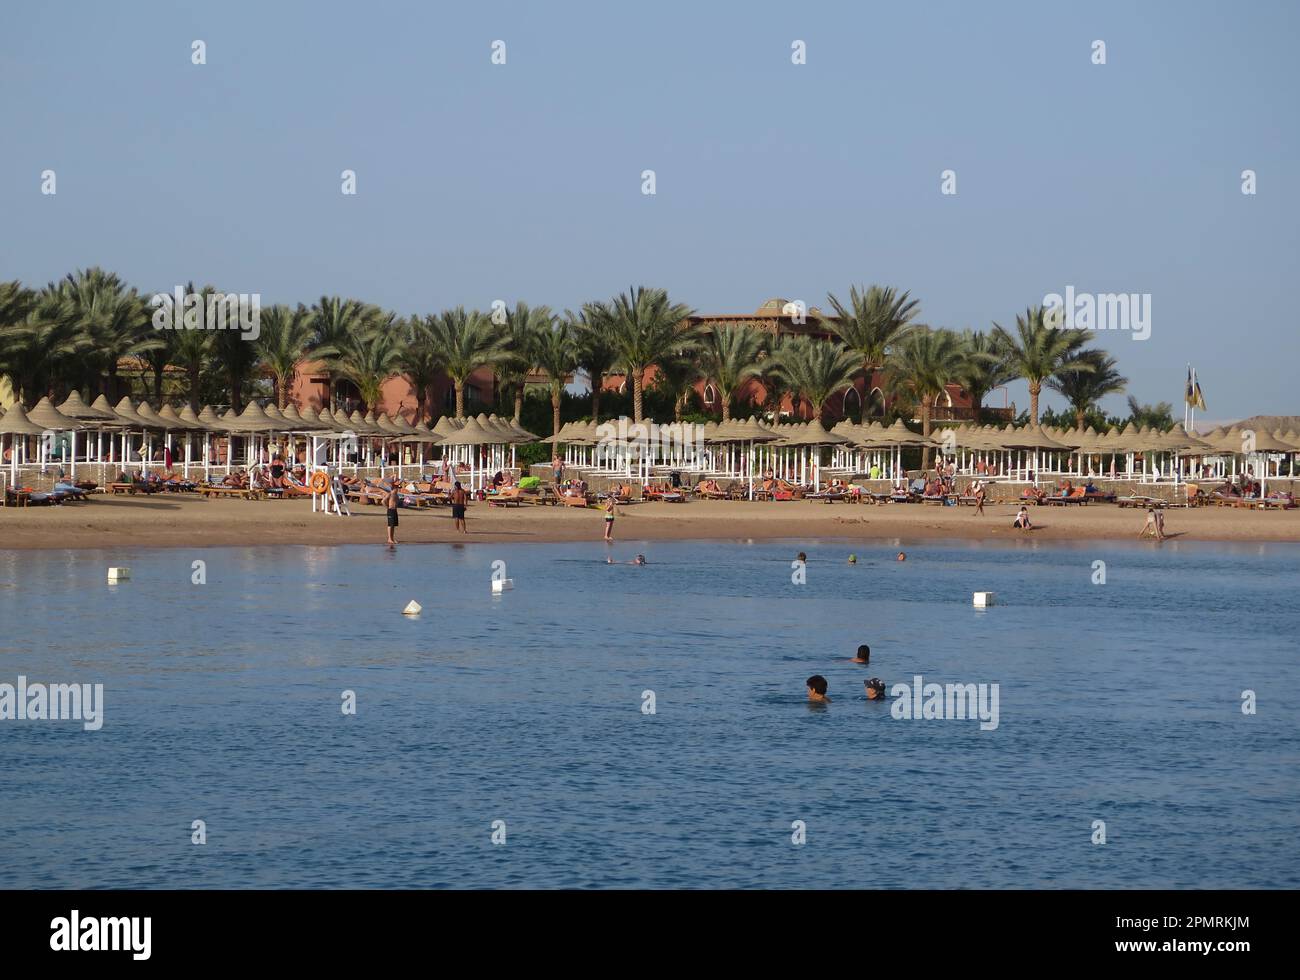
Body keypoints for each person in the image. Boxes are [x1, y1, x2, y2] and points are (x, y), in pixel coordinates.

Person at [383, 482, 399, 546]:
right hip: (390, 510)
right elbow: (383, 501)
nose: (397, 489)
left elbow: (396, 501)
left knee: (393, 525)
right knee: (390, 525)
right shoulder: (390, 493)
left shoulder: (396, 495)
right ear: (393, 488)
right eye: (396, 488)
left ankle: (392, 538)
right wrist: (388, 507)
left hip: (395, 510)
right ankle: (389, 538)